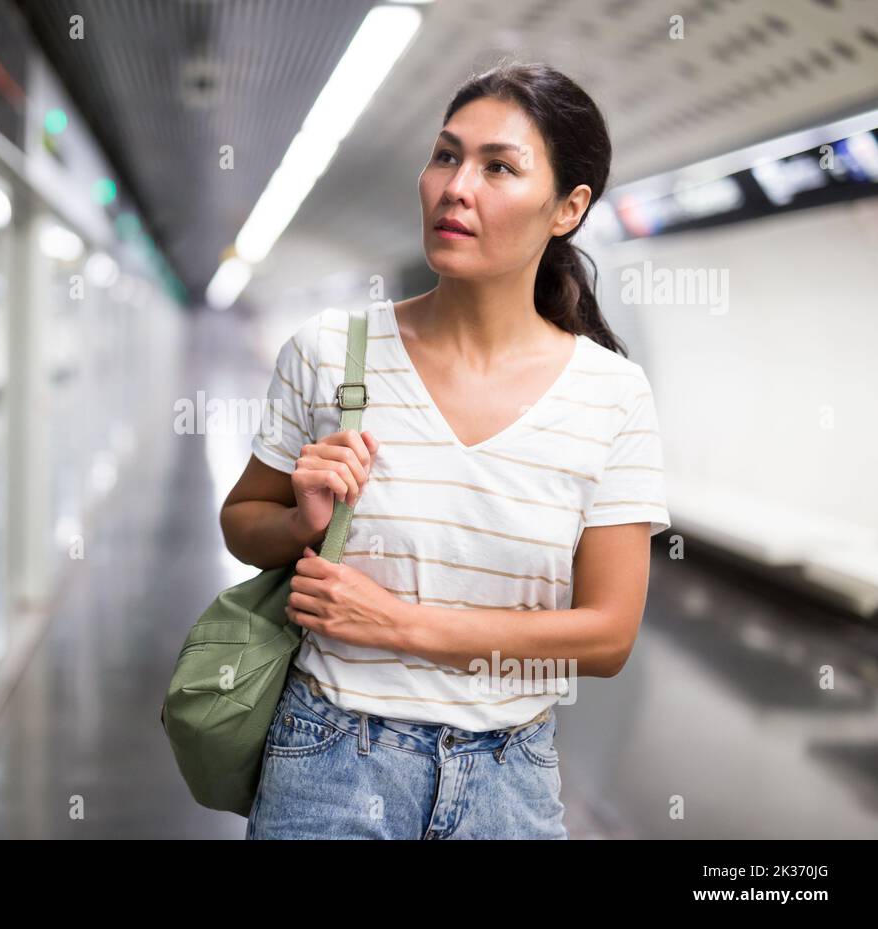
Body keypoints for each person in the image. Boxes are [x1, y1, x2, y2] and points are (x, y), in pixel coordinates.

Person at [220, 61, 671, 839]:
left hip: (510, 785)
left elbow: (606, 633)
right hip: (330, 760)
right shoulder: (331, 352)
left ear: (568, 208)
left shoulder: (612, 395)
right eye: (445, 155)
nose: (456, 186)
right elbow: (240, 521)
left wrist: (402, 624)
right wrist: (299, 520)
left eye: (498, 166)